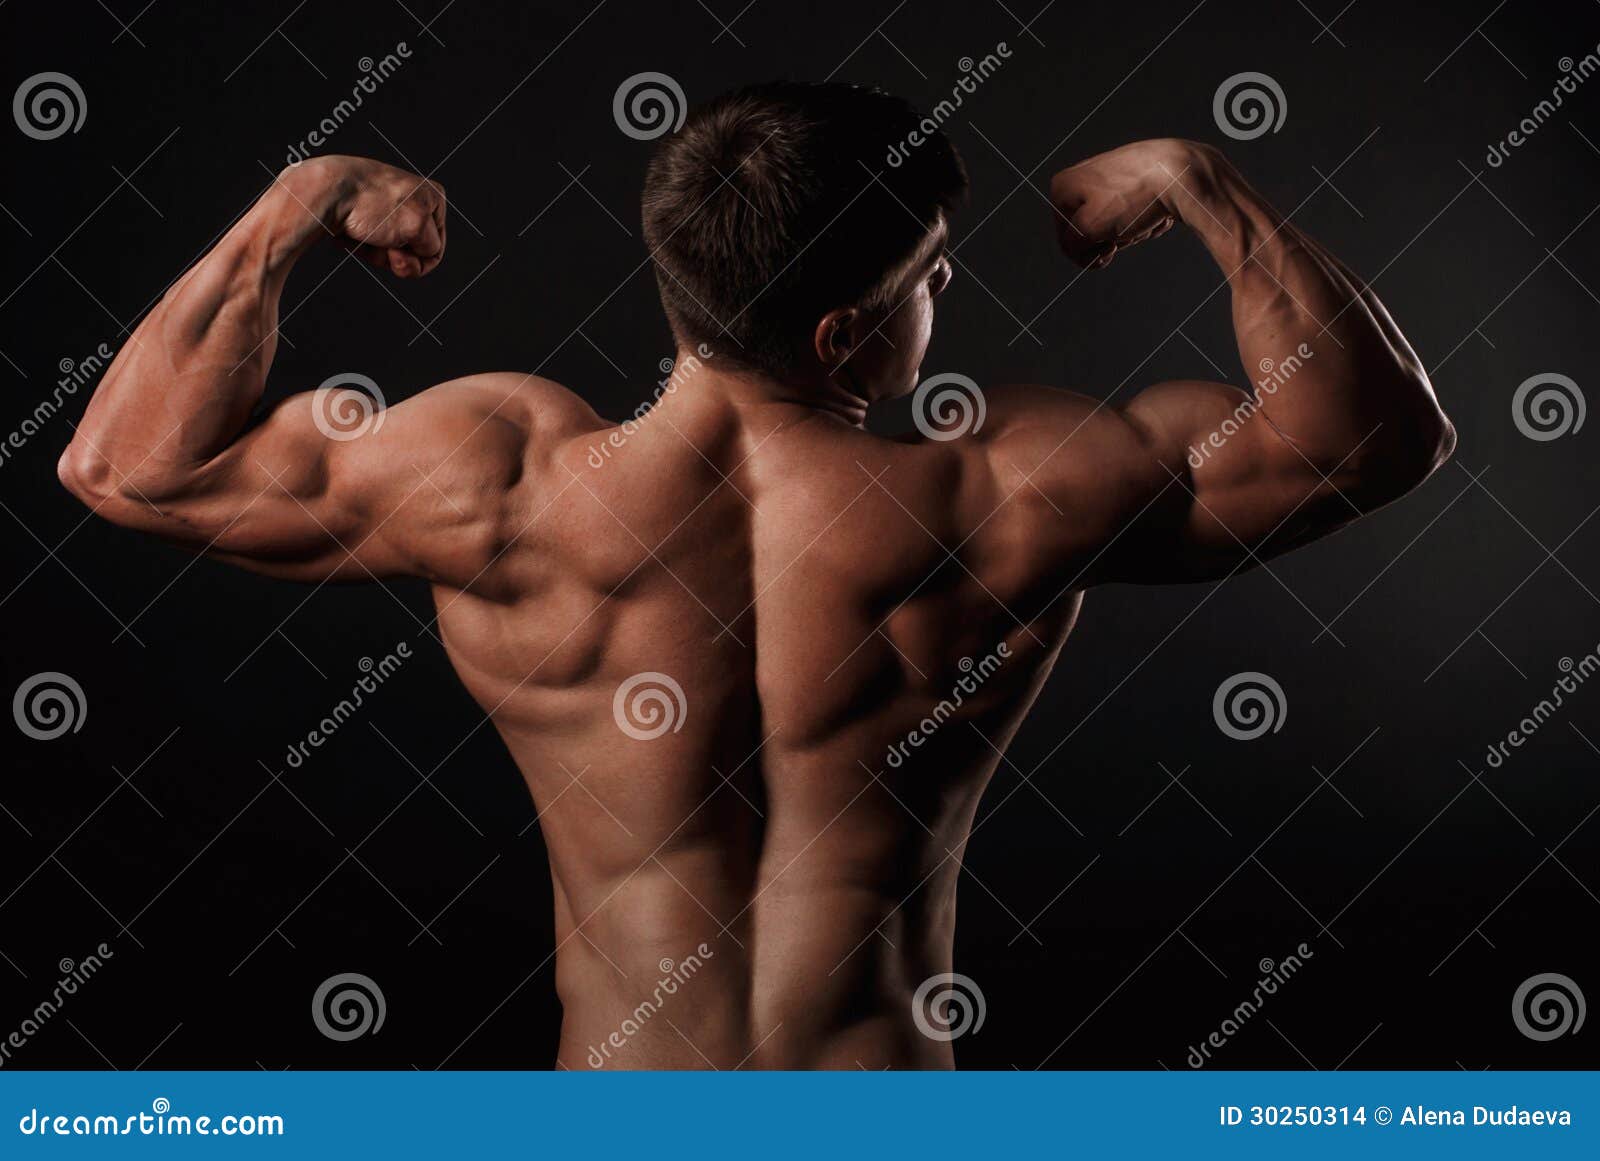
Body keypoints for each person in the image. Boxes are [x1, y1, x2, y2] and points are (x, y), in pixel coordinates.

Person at [58, 82, 1453, 1068]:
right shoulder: (1005, 494)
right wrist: (1202, 187)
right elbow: (1371, 438)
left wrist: (299, 205)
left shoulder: (503, 486)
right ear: (846, 333)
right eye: (932, 274)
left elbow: (129, 468)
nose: (944, 293)